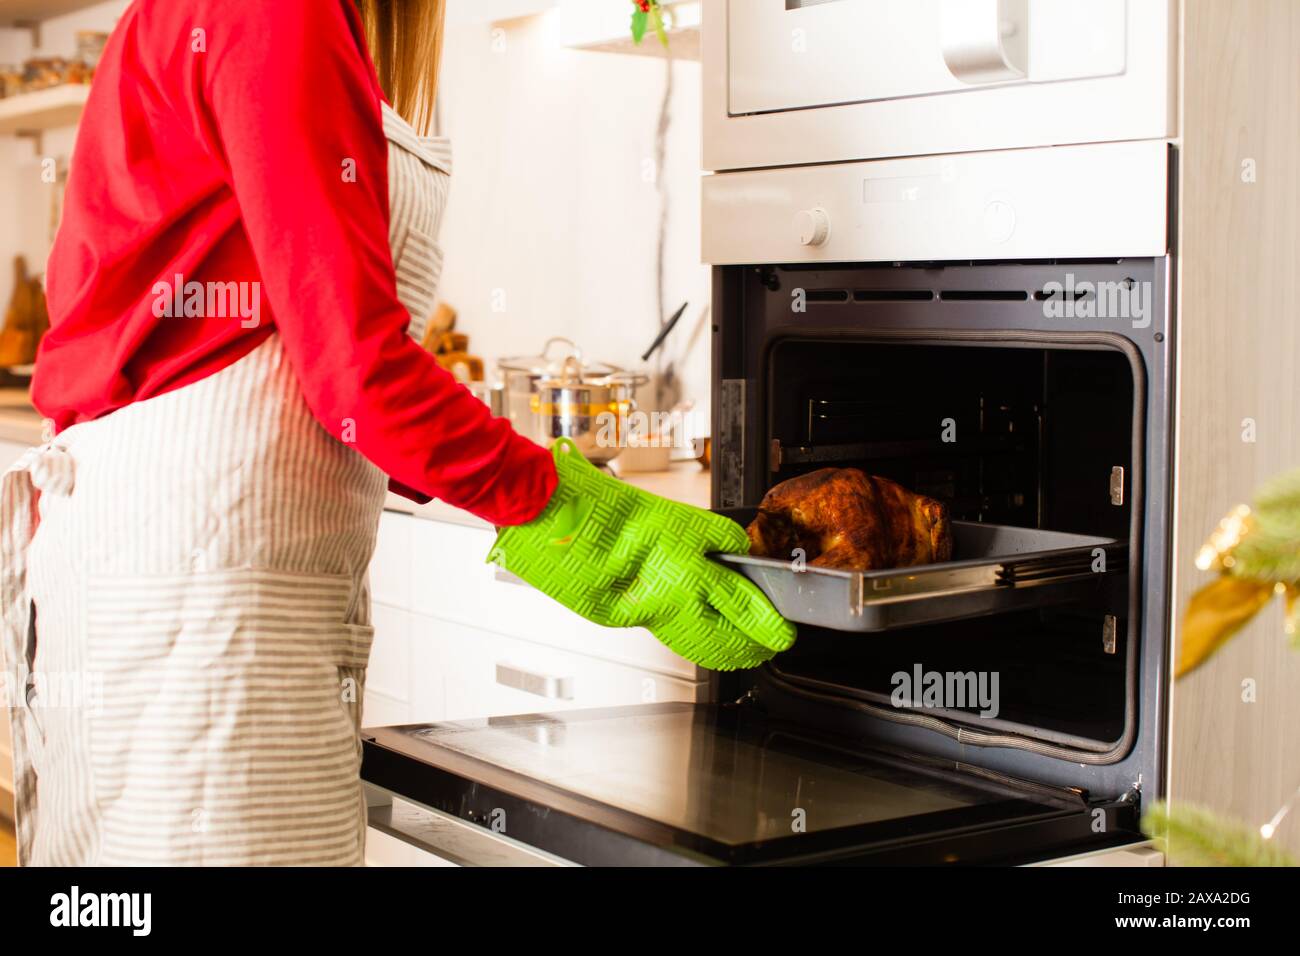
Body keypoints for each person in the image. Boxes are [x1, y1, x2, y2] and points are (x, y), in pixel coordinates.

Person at [0, 0, 793, 866]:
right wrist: (597, 525)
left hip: (209, 552)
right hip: (202, 576)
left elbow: (325, 368)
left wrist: (485, 472)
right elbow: (356, 374)